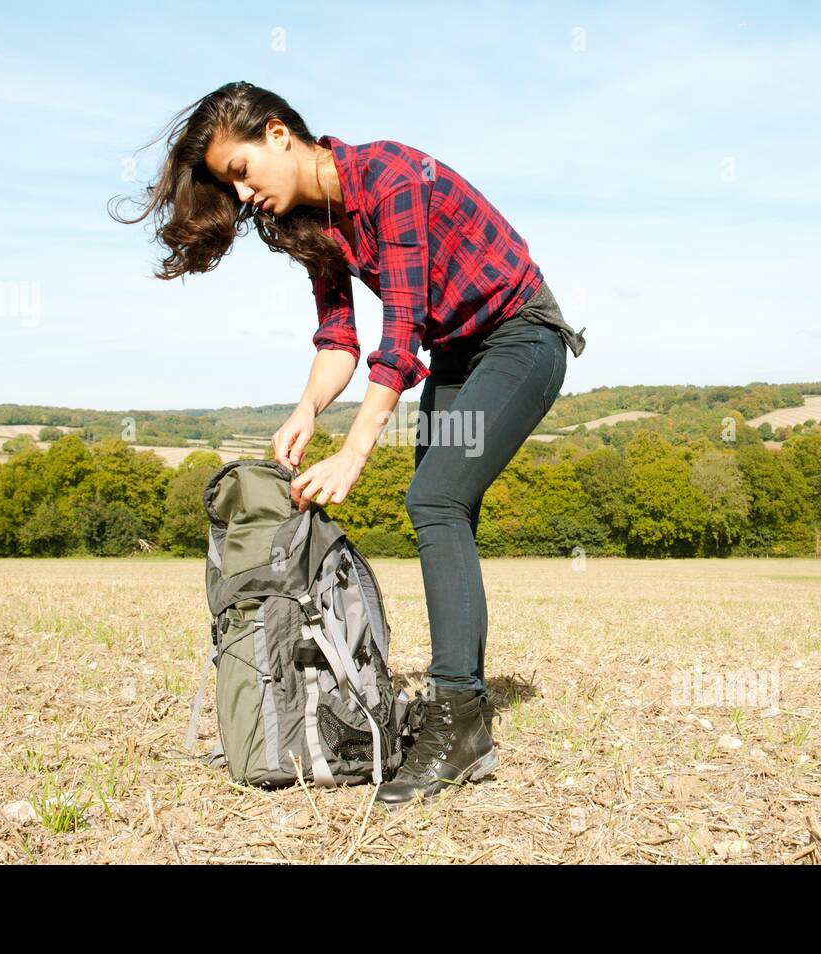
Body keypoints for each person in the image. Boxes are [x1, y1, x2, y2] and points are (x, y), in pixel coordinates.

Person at [111, 81, 585, 806]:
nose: (242, 197)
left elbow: (401, 334)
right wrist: (307, 409)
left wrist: (356, 450)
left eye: (240, 172)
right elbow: (340, 337)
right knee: (443, 509)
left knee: (434, 497)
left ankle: (460, 723)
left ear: (277, 134)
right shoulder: (312, 221)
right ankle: (462, 701)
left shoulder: (390, 177)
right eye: (228, 187)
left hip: (522, 335)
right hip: (461, 355)